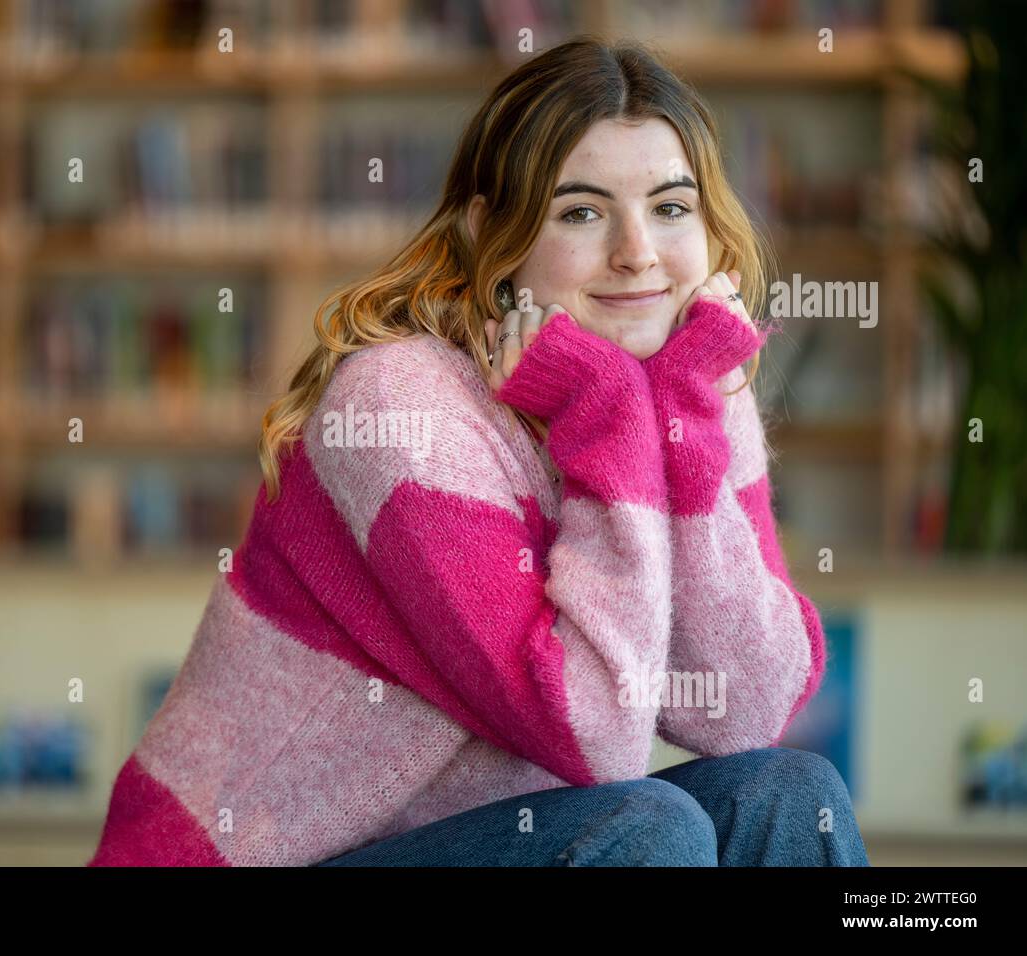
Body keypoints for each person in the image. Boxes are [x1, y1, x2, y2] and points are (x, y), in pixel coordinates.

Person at [88, 35, 867, 867]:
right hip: (260, 857)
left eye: (670, 207)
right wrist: (608, 422)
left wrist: (674, 413)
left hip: (490, 836)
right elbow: (593, 735)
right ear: (493, 234)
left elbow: (746, 714)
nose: (637, 250)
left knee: (792, 794)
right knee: (644, 830)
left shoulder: (695, 385)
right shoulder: (403, 408)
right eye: (582, 212)